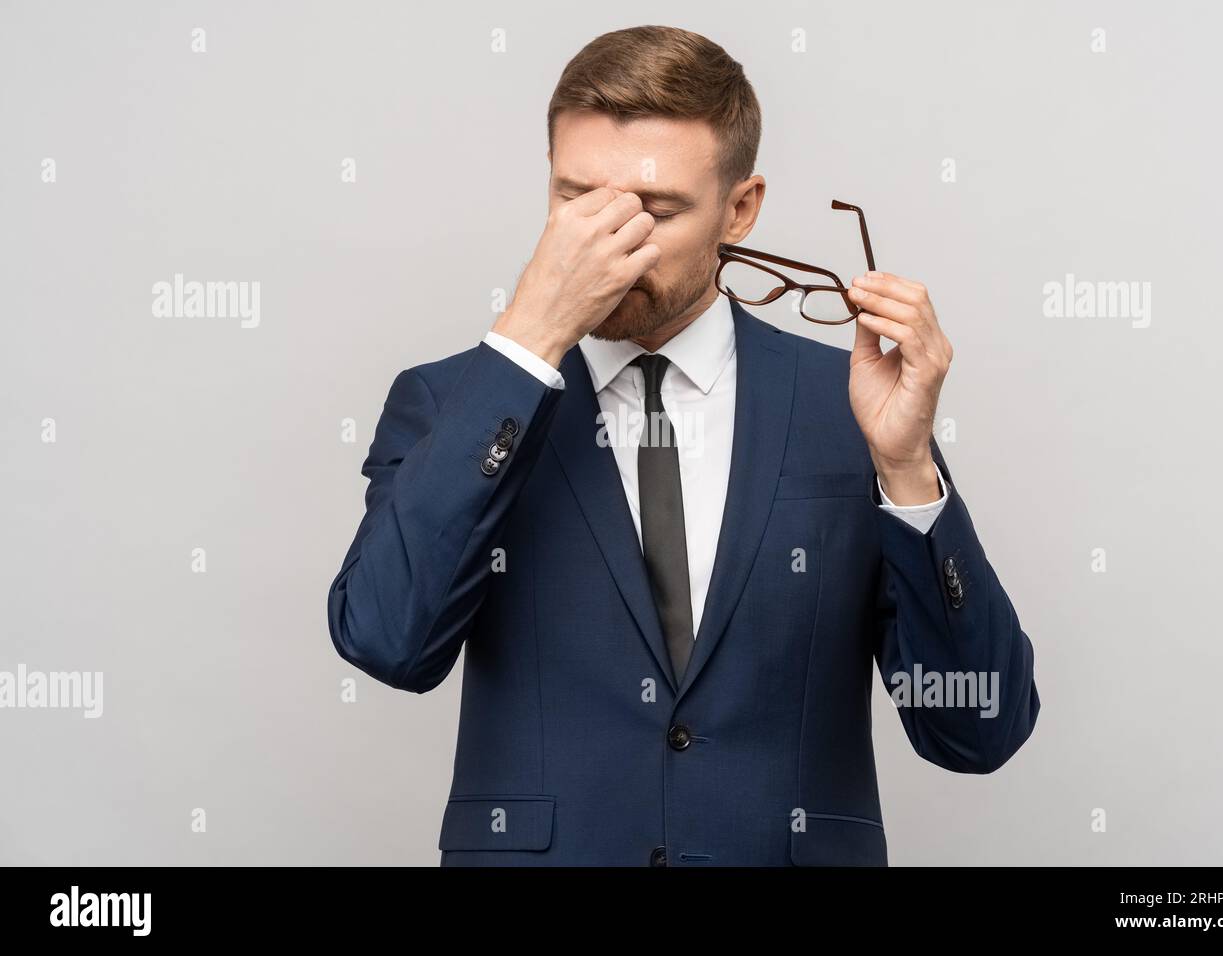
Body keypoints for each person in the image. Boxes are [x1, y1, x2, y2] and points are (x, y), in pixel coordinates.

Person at [327, 24, 1039, 866]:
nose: (611, 244)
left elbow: (977, 729)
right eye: (577, 201)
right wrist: (527, 339)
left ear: (740, 210)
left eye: (657, 211)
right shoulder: (453, 404)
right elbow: (384, 640)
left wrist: (907, 471)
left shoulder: (847, 408)